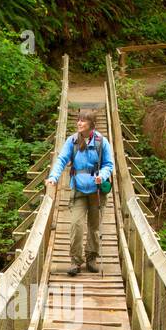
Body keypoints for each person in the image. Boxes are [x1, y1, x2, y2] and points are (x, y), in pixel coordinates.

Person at [46, 110, 114, 276]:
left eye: (83, 121)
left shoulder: (101, 142)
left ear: (91, 124)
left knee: (94, 227)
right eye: (78, 120)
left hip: (97, 191)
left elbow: (109, 164)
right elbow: (62, 159)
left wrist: (102, 175)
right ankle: (75, 261)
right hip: (78, 189)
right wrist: (53, 177)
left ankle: (91, 258)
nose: (79, 123)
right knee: (76, 225)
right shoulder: (72, 140)